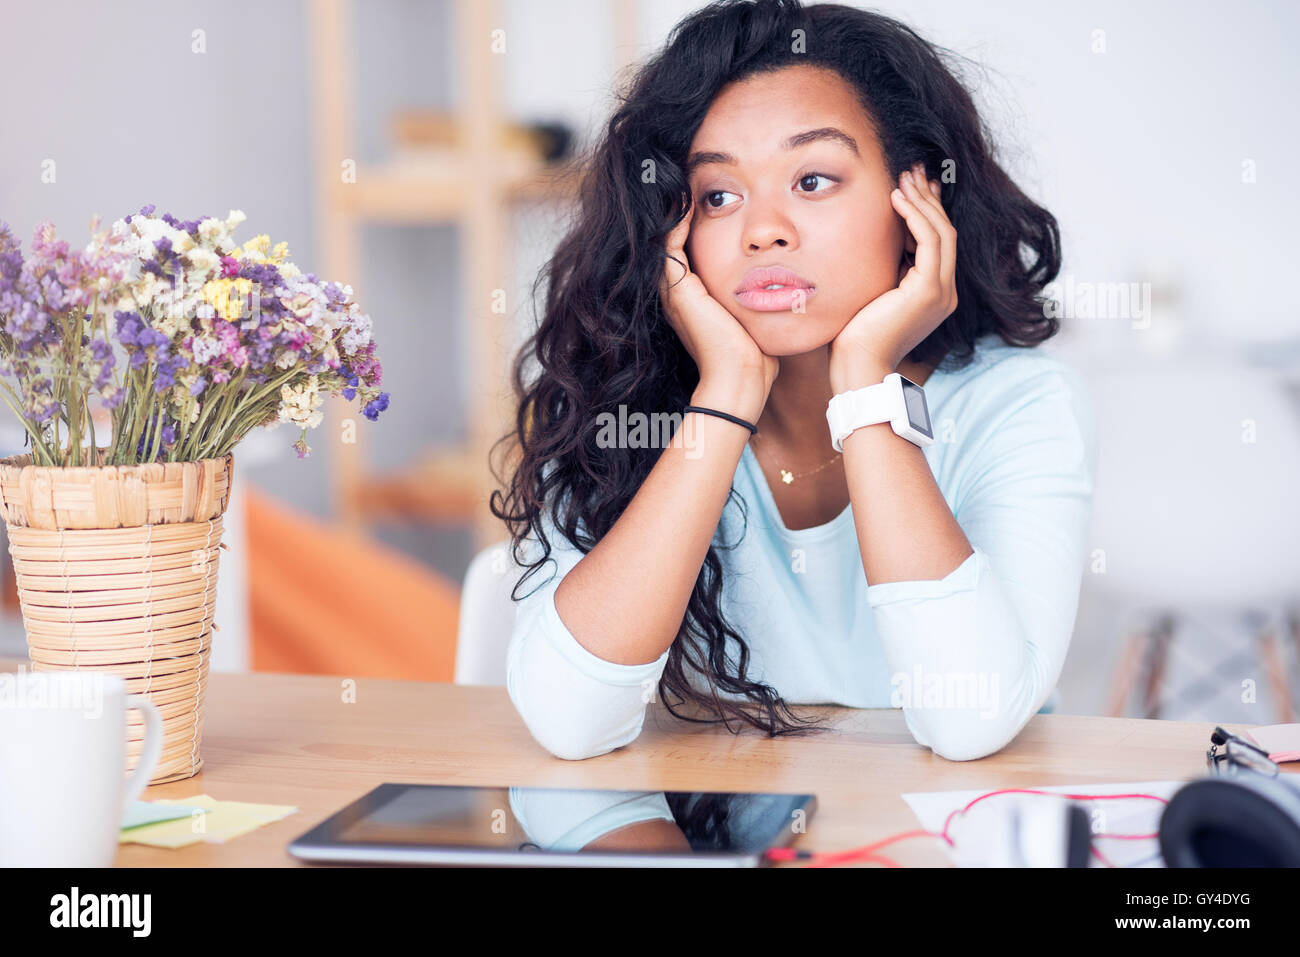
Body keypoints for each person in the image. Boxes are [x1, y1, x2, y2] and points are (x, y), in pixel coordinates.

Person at [490, 0, 1096, 762]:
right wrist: (725, 398)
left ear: (918, 203)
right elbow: (570, 723)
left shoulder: (1020, 404)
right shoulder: (623, 403)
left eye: (813, 179)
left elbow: (968, 722)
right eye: (718, 195)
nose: (762, 229)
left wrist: (867, 383)